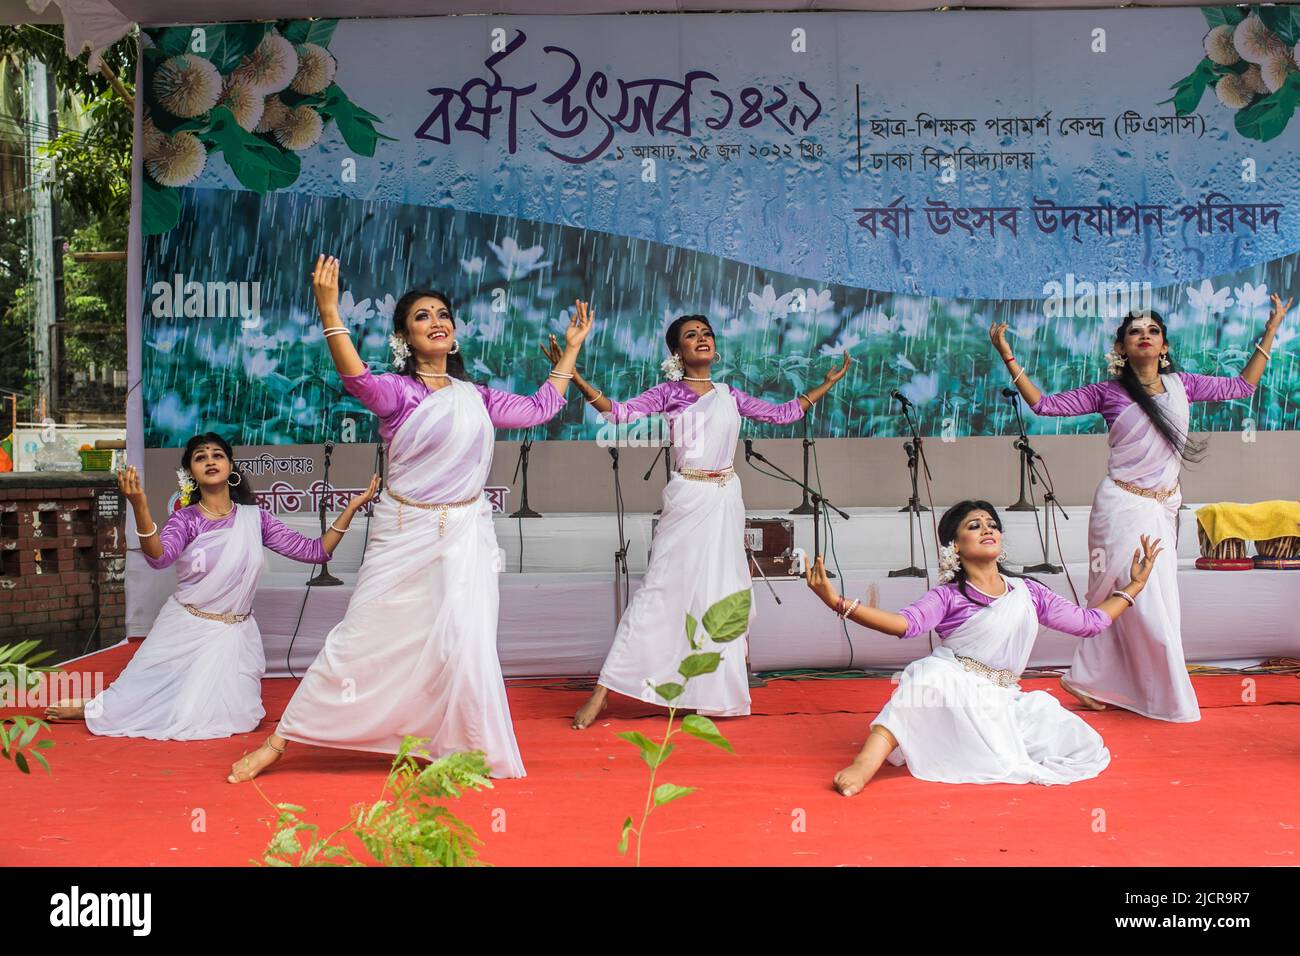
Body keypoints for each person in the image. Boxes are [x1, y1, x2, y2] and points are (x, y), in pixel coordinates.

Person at [227, 255, 592, 782]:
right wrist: (330, 310)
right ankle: (283, 741)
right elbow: (356, 380)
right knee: (361, 637)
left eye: (443, 313)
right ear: (404, 337)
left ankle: (462, 749)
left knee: (463, 643)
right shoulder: (398, 393)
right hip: (404, 534)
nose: (437, 321)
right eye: (422, 316)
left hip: (466, 535)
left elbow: (538, 409)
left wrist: (572, 350)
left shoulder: (477, 396)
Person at [990, 295, 1291, 721]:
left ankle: (1092, 679)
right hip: (1122, 507)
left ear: (1164, 346)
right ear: (1121, 349)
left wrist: (1271, 329)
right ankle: (1136, 686)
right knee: (1125, 598)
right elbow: (1045, 405)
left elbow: (1241, 386)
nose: (1145, 337)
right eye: (1135, 332)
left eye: (1153, 331)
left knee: (1157, 601)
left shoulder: (1183, 385)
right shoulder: (1107, 393)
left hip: (1161, 510)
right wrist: (1008, 356)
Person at [561, 313, 851, 728]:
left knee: (723, 594)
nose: (701, 339)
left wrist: (828, 383)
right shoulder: (668, 393)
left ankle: (712, 692)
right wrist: (574, 376)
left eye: (706, 333)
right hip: (688, 498)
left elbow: (783, 414)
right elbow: (618, 413)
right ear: (677, 352)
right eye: (690, 335)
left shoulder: (729, 394)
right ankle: (605, 690)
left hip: (726, 499)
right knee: (660, 590)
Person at [805, 500, 1162, 794]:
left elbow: (1090, 624)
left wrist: (1135, 585)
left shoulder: (1028, 592)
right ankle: (865, 762)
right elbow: (905, 625)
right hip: (952, 682)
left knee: (1072, 739)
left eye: (991, 524)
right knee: (926, 676)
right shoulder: (947, 596)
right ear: (955, 546)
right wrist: (837, 602)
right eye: (974, 526)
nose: (988, 529)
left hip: (1003, 697)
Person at [44, 433, 376, 739]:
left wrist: (352, 507)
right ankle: (95, 707)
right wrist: (140, 506)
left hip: (236, 637)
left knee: (238, 718)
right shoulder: (186, 520)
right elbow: (159, 558)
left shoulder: (254, 518)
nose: (210, 460)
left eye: (217, 455)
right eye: (201, 457)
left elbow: (316, 552)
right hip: (185, 629)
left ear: (231, 466)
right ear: (191, 472)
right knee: (155, 706)